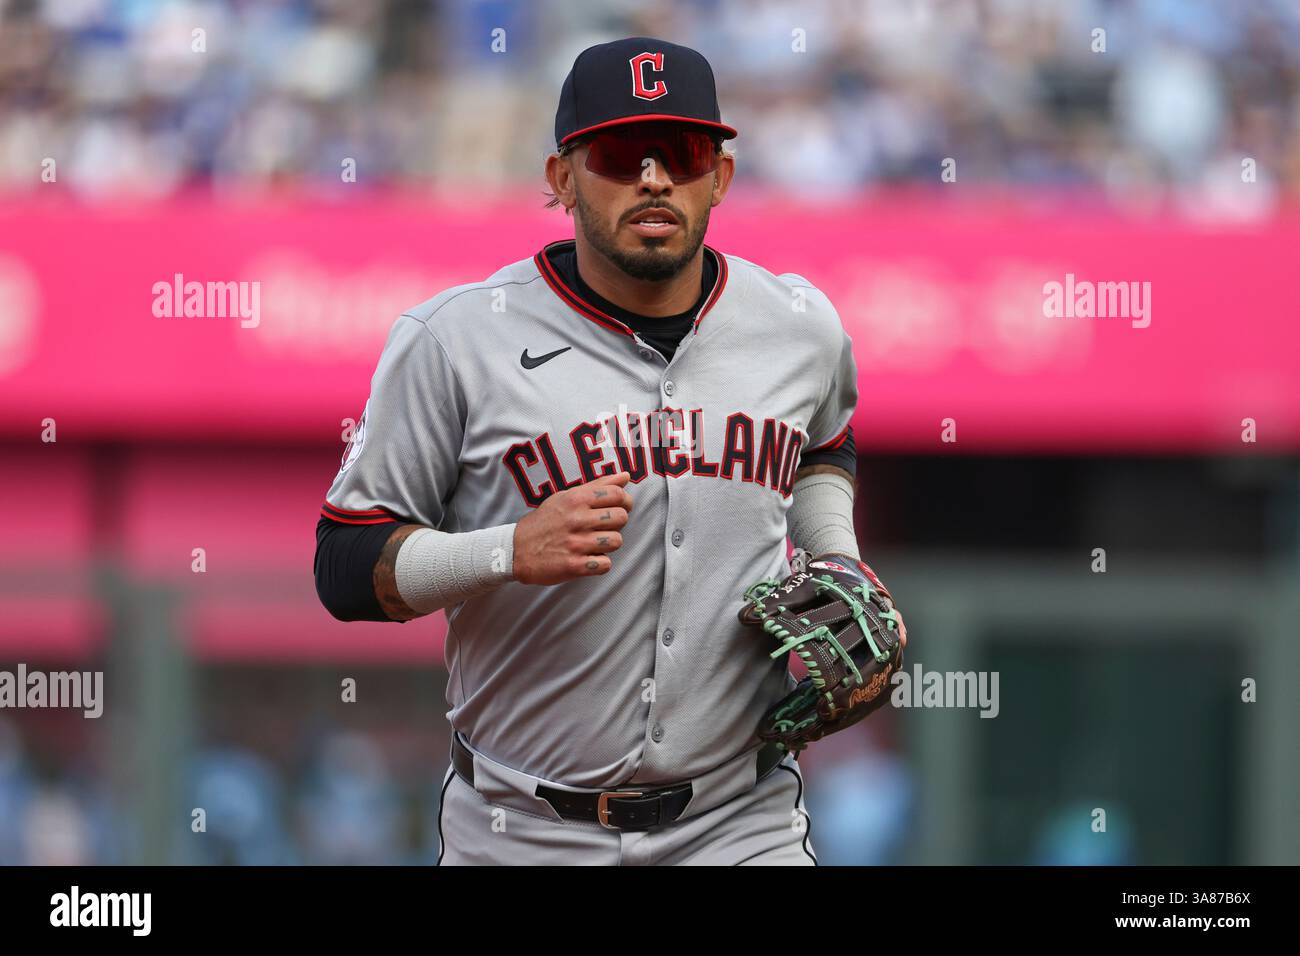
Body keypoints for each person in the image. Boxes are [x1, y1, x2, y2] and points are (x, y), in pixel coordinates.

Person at [314, 37, 894, 865]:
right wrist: (505, 550)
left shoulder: (798, 327)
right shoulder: (455, 341)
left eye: (684, 152)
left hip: (739, 823)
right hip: (519, 829)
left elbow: (825, 445)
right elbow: (345, 564)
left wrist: (838, 556)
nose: (653, 178)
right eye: (620, 154)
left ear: (719, 177)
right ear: (561, 178)